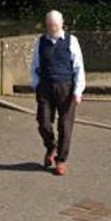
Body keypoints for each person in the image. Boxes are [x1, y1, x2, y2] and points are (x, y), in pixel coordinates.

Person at [31, 10, 85, 176]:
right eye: (49, 25)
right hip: (46, 86)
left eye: (55, 25)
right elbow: (34, 66)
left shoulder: (71, 41)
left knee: (65, 126)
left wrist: (78, 91)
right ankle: (50, 146)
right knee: (44, 122)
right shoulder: (40, 42)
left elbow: (78, 67)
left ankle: (61, 160)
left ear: (61, 23)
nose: (52, 28)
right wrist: (37, 86)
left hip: (66, 87)